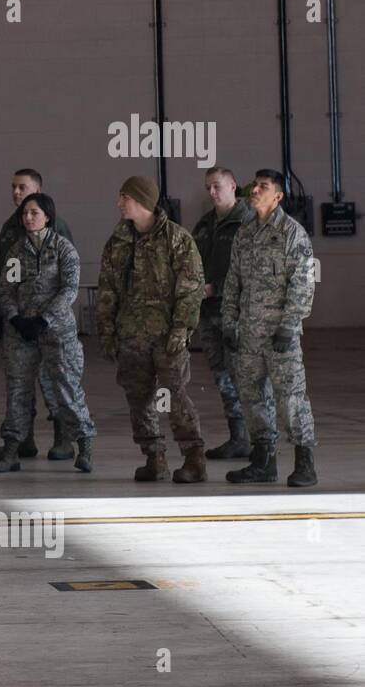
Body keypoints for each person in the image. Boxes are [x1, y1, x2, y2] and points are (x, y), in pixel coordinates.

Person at [96, 176, 206, 482]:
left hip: (166, 336)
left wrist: (181, 330)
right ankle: (154, 457)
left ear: (142, 200)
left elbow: (191, 288)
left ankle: (194, 458)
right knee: (138, 397)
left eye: (124, 198)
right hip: (131, 336)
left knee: (174, 395)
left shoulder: (176, 239)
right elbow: (107, 290)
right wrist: (106, 331)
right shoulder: (118, 241)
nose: (119, 203)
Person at [222, 170, 318, 487]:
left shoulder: (292, 233)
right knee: (252, 400)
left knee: (291, 399)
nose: (256, 189)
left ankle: (305, 464)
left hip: (280, 336)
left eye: (264, 186)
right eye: (255, 184)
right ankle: (263, 463)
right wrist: (229, 322)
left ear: (277, 196)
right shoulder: (244, 233)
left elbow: (302, 285)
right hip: (248, 334)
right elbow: (232, 282)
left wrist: (289, 326)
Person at [0, 193, 95, 472]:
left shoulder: (63, 249)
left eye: (34, 212)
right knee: (17, 390)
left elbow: (69, 289)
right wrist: (16, 318)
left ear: (47, 216)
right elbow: (6, 289)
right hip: (22, 333)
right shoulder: (15, 251)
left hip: (57, 332)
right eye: (25, 213)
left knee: (66, 389)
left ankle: (84, 445)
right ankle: (12, 450)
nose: (28, 217)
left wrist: (44, 319)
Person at [0, 168, 77, 461]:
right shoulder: (9, 227)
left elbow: (66, 281)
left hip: (48, 324)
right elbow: (4, 276)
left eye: (22, 187)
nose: (15, 192)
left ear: (39, 189)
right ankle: (22, 439)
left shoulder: (57, 228)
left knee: (54, 381)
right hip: (18, 321)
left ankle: (63, 440)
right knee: (18, 383)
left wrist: (46, 319)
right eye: (13, 187)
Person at [191, 168, 272, 459]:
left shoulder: (249, 220)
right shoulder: (203, 225)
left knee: (249, 379)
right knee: (223, 378)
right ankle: (238, 438)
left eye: (217, 186)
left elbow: (256, 270)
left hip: (240, 314)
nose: (212, 192)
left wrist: (217, 288)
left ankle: (264, 444)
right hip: (209, 313)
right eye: (208, 188)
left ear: (233, 186)